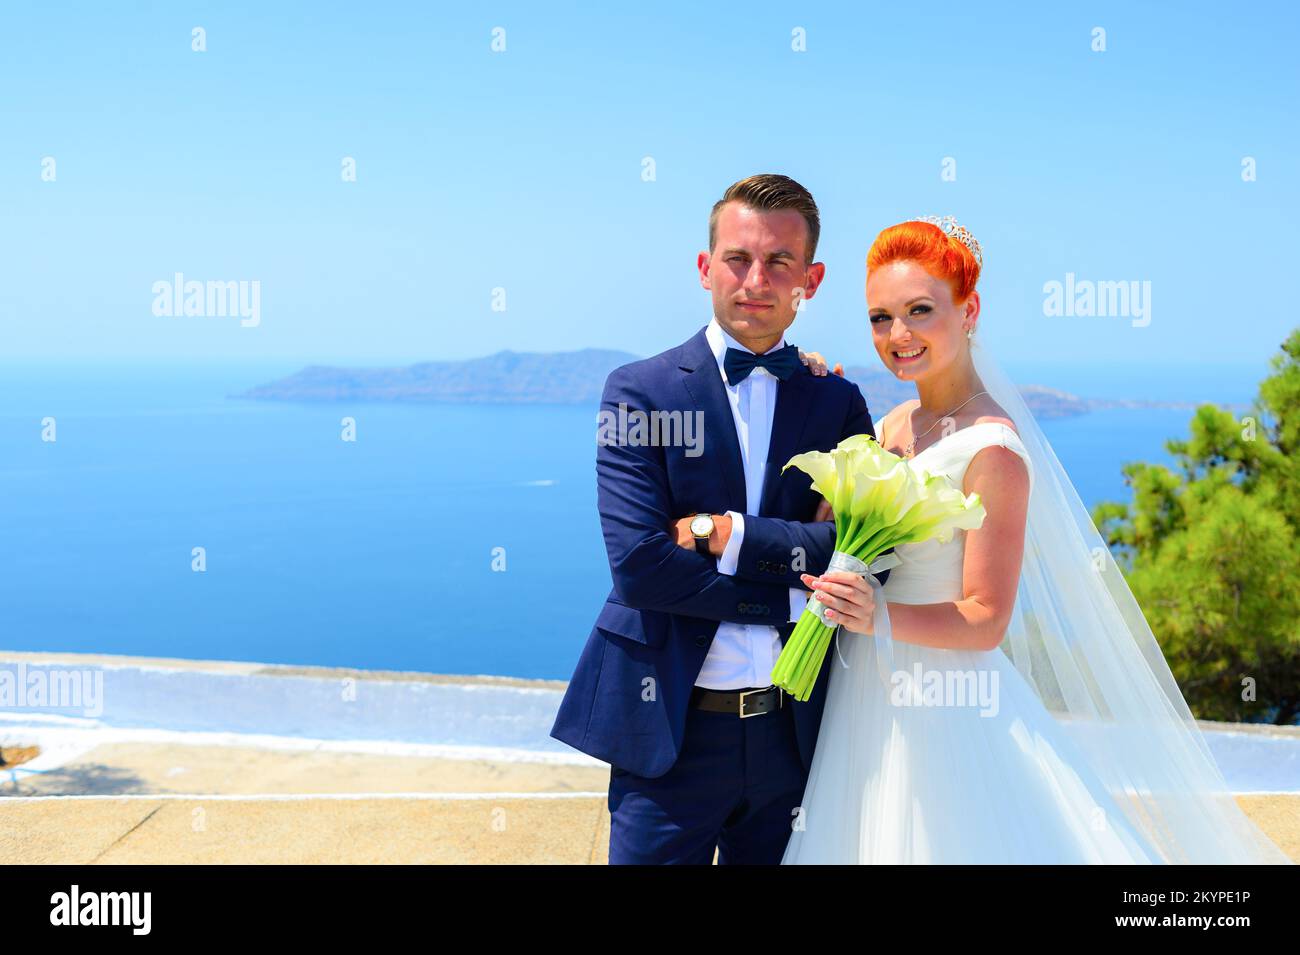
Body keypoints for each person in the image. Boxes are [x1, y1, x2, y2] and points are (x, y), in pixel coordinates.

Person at [781, 217, 1292, 864]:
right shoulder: (893, 423)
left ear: (969, 310)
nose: (898, 335)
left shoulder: (993, 448)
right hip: (865, 693)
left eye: (919, 311)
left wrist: (877, 613)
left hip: (942, 700)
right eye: (880, 317)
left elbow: (985, 618)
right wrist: (814, 381)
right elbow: (832, 520)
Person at [549, 174, 889, 864]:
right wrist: (795, 585)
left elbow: (859, 555)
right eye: (738, 258)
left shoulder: (837, 404)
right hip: (670, 734)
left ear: (811, 280)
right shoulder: (639, 392)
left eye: (779, 262)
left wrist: (726, 534)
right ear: (706, 268)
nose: (756, 279)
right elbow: (642, 567)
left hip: (794, 740)